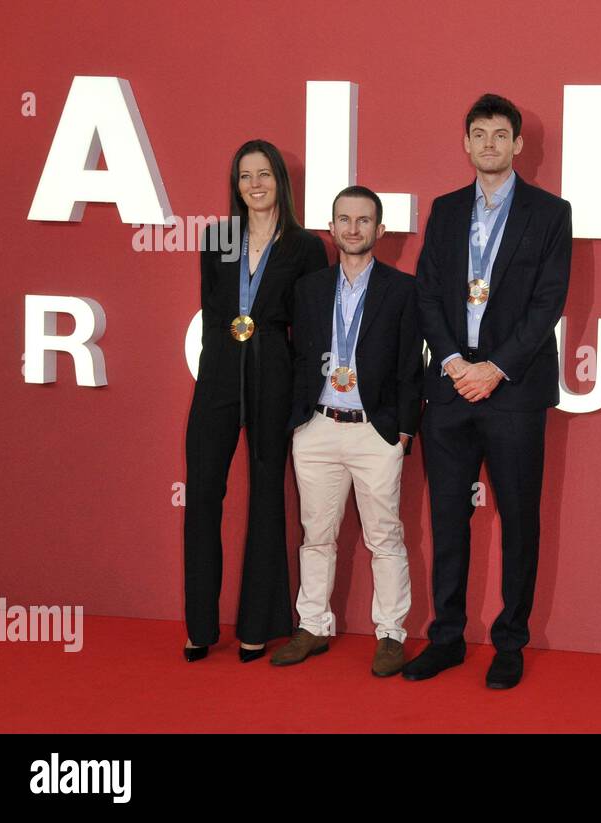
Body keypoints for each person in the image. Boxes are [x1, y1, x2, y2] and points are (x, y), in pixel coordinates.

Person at [404, 93, 572, 689]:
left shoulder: (550, 213)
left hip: (514, 392)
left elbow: (548, 302)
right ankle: (446, 637)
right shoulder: (446, 210)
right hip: (449, 390)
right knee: (447, 517)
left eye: (501, 134)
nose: (490, 144)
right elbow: (426, 292)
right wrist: (453, 362)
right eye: (480, 134)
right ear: (466, 143)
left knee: (519, 518)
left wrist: (493, 368)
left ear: (519, 144)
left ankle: (510, 642)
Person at [183, 140, 328, 663]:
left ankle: (256, 627)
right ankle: (199, 627)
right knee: (202, 495)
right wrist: (208, 378)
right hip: (220, 369)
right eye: (245, 176)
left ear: (279, 182)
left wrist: (303, 392)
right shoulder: (219, 237)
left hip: (274, 369)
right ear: (236, 184)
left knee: (267, 496)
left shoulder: (305, 246)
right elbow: (210, 310)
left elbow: (311, 326)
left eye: (264, 174)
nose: (255, 184)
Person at [271, 186, 422, 676]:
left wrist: (402, 431)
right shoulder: (309, 289)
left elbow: (410, 365)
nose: (353, 228)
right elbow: (296, 359)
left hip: (374, 431)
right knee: (316, 535)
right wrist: (297, 422)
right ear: (331, 228)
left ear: (380, 230)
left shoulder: (403, 290)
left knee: (385, 537)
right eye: (344, 219)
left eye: (363, 220)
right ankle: (313, 625)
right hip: (317, 428)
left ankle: (391, 634)